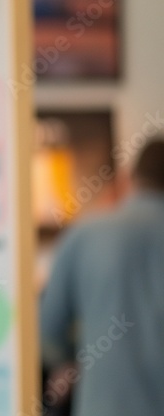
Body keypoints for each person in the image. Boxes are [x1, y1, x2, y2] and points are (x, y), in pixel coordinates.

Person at [40, 138, 164, 416]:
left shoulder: (85, 234)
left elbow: (48, 329)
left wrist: (74, 359)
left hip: (103, 405)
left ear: (130, 178)